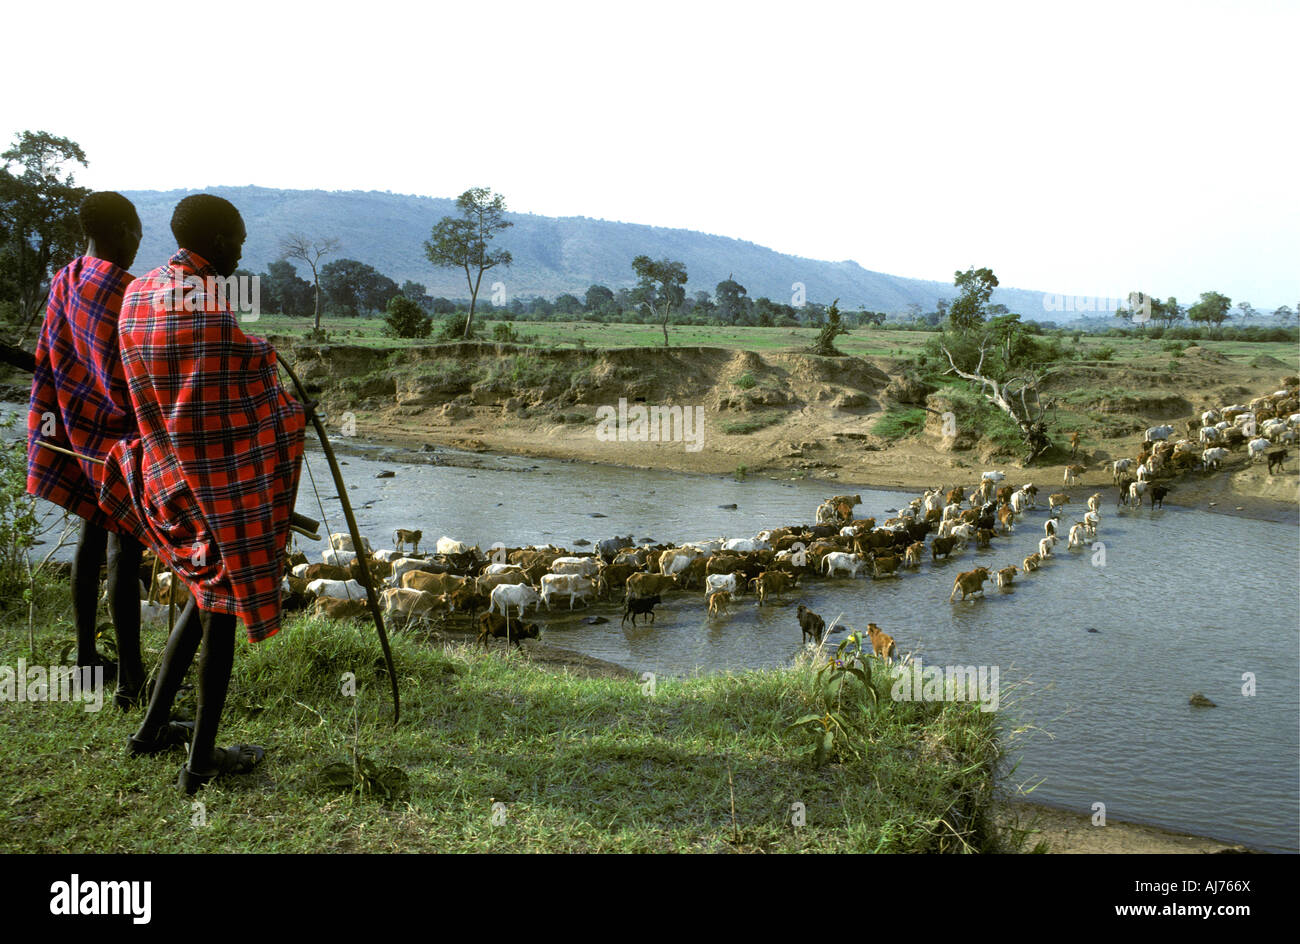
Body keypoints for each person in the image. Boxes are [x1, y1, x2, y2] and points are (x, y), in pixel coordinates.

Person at [99, 194, 306, 792]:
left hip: (158, 479)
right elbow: (240, 395)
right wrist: (292, 410)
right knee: (223, 611)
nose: (241, 250)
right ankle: (200, 763)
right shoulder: (211, 309)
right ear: (217, 241)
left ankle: (149, 731)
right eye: (237, 240)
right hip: (210, 489)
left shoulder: (138, 293)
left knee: (202, 591)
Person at [26, 191, 146, 707]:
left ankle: (85, 660)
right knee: (124, 547)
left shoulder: (66, 277)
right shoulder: (125, 290)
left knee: (90, 538)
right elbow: (137, 370)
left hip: (75, 429)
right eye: (138, 232)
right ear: (122, 230)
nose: (139, 243)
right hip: (117, 435)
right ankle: (132, 680)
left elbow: (49, 353)